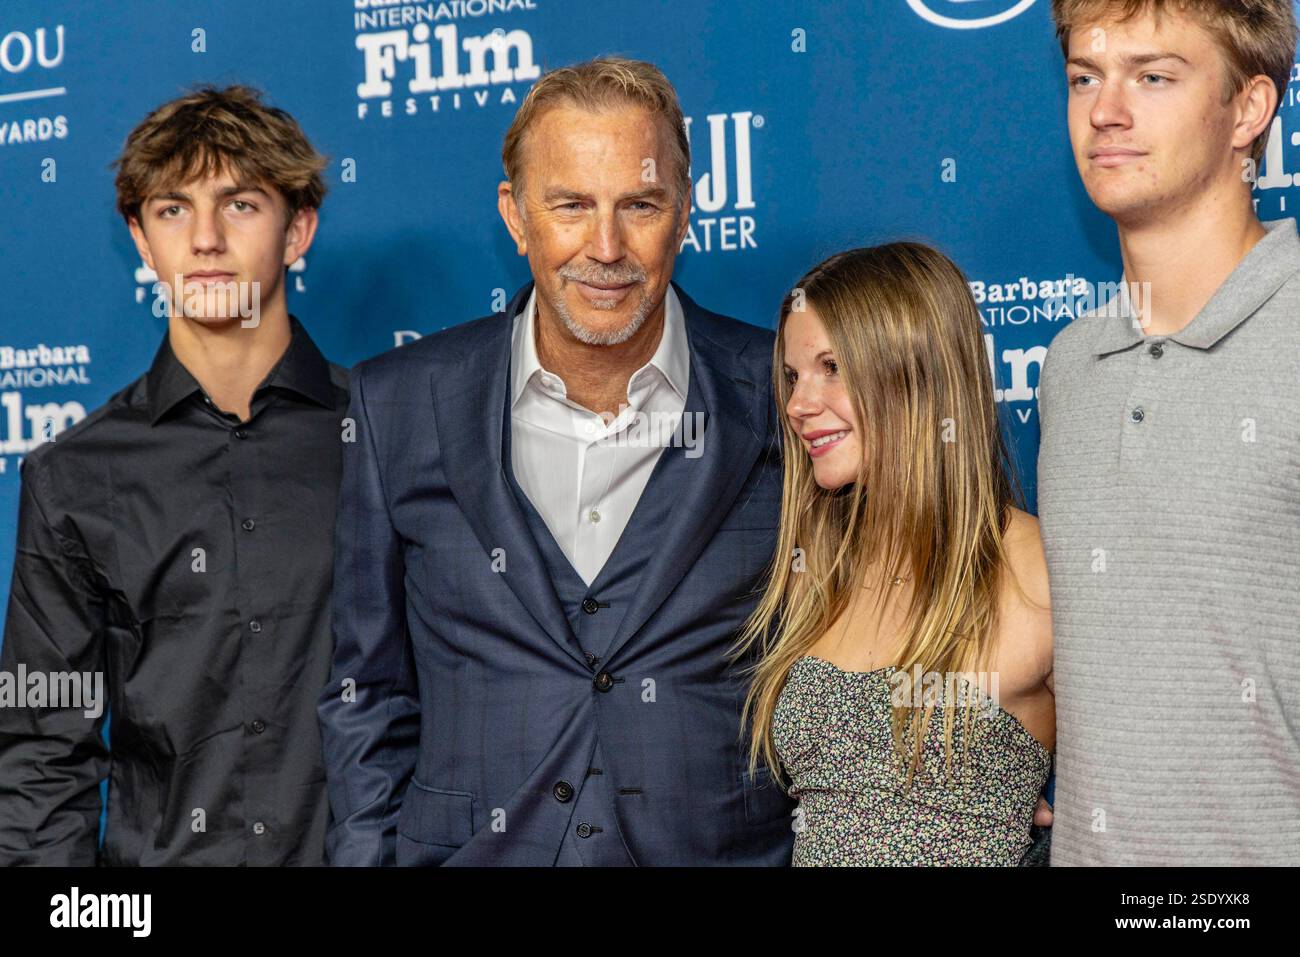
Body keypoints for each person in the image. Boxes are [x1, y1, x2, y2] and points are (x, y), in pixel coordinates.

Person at [318, 56, 794, 866]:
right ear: (516, 215)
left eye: (638, 204)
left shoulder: (783, 392)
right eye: (570, 205)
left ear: (684, 211)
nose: (604, 246)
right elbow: (368, 695)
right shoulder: (396, 403)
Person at [0, 85, 346, 865]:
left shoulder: (390, 438)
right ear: (141, 239)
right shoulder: (73, 477)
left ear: (299, 229)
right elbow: (41, 757)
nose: (207, 239)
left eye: (241, 205)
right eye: (172, 209)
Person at [1037, 0, 1300, 864]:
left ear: (1249, 111)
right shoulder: (1070, 370)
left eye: (1153, 76)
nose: (1106, 111)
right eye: (1085, 78)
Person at [734, 242, 1056, 865]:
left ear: (917, 373)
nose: (799, 404)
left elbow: (1147, 799)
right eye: (794, 376)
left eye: (833, 367)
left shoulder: (1037, 571)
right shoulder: (814, 570)